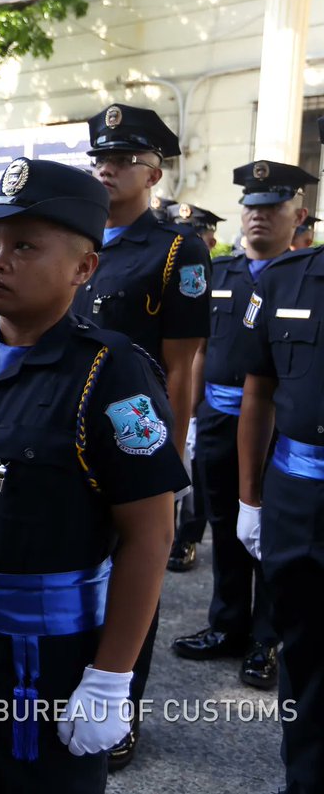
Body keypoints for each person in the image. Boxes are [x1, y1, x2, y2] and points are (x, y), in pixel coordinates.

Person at [0, 156, 187, 793]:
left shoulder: (112, 372)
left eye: (25, 246)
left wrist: (112, 677)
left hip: (48, 661)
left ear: (85, 268)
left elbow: (149, 536)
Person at [73, 102, 211, 769]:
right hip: (64, 428)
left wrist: (174, 454)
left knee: (134, 568)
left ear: (153, 172)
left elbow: (183, 363)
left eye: (125, 158)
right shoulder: (73, 235)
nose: (109, 166)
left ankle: (121, 709)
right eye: (101, 155)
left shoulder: (178, 248)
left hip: (135, 436)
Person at [170, 163, 312, 694]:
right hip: (218, 420)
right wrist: (191, 421)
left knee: (271, 536)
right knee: (227, 526)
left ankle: (265, 639)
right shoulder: (220, 273)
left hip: (277, 428)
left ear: (297, 217)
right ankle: (227, 623)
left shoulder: (301, 279)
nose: (258, 217)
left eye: (271, 208)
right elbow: (201, 351)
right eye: (251, 207)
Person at [235, 119, 324, 794]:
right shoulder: (291, 279)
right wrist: (250, 499)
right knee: (304, 649)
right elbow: (258, 393)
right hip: (297, 497)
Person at [164, 202, 225, 572]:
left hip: (210, 387)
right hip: (185, 383)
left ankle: (187, 536)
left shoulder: (215, 272)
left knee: (196, 477)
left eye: (195, 233)